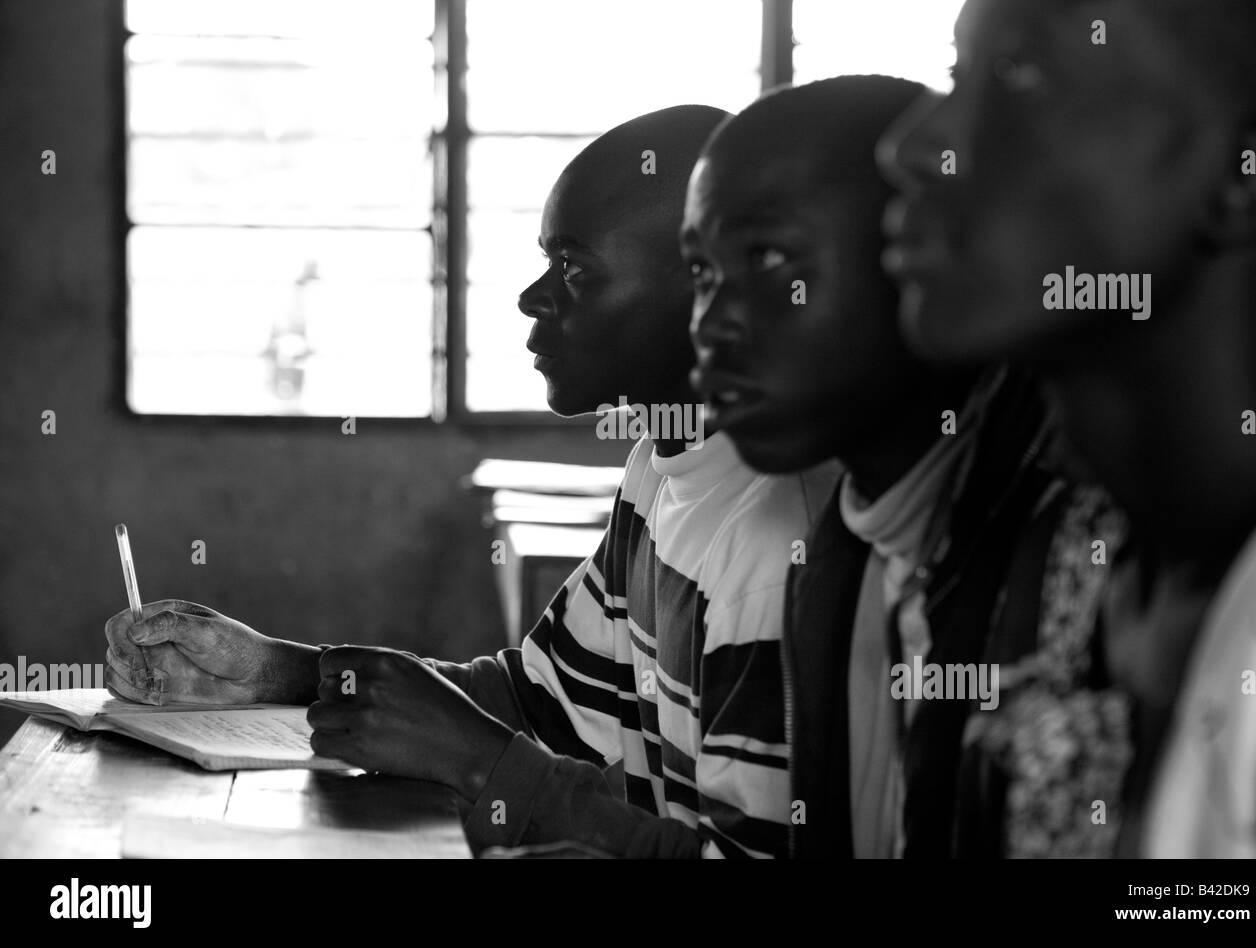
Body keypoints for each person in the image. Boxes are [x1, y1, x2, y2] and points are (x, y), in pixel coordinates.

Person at [104, 104, 837, 858]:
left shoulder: (771, 543)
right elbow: (541, 699)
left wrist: (476, 761)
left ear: (702, 293)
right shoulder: (660, 465)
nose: (533, 297)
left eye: (574, 270)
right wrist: (270, 670)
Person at [879, 0, 1256, 857]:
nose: (912, 147)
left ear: (1246, 176)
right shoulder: (1085, 555)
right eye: (958, 75)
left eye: (1021, 70)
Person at [682, 74, 1067, 858]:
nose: (712, 322)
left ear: (921, 248)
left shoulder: (1056, 563)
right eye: (702, 272)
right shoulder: (835, 560)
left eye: (768, 257)